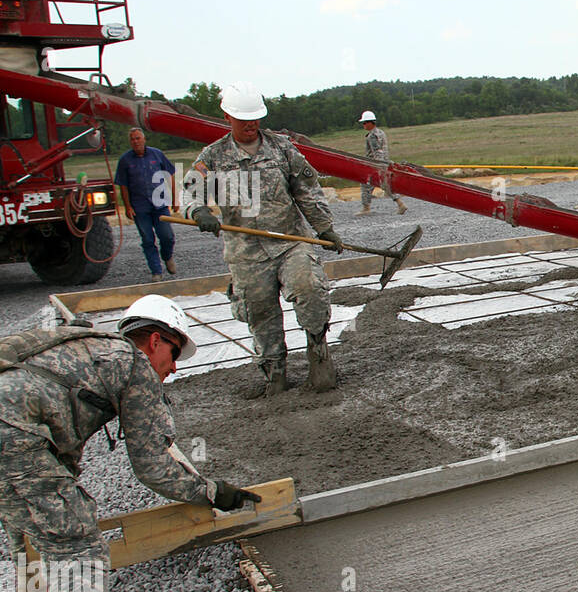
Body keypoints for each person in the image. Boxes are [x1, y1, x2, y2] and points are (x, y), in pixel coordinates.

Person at [0, 295, 259, 592]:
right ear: (155, 339)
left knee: (32, 501)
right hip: (11, 428)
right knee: (76, 543)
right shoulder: (132, 364)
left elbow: (57, 446)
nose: (173, 368)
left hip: (14, 425)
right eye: (174, 354)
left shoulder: (83, 348)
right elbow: (153, 466)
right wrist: (214, 493)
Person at [186, 82, 344, 397]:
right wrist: (198, 211)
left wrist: (324, 227)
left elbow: (307, 191)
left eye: (255, 119)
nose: (250, 126)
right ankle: (275, 373)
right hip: (246, 252)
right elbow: (192, 189)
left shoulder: (282, 148)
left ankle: (318, 353)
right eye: (243, 120)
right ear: (228, 117)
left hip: (290, 241)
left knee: (310, 289)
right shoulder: (213, 156)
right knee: (260, 316)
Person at [113, 128, 178, 283]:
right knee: (148, 239)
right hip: (139, 207)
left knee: (167, 236)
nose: (135, 142)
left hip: (160, 204)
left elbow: (170, 175)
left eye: (138, 138)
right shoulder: (125, 160)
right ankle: (156, 271)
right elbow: (123, 186)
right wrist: (128, 206)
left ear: (144, 139)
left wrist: (175, 199)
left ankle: (167, 256)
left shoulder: (157, 154)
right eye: (132, 139)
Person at [356, 111, 407, 216]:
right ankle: (400, 204)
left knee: (367, 184)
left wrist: (377, 166)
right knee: (386, 185)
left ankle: (366, 208)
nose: (363, 125)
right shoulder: (381, 132)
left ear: (370, 123)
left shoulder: (372, 136)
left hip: (375, 165)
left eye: (364, 123)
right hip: (384, 163)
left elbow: (377, 152)